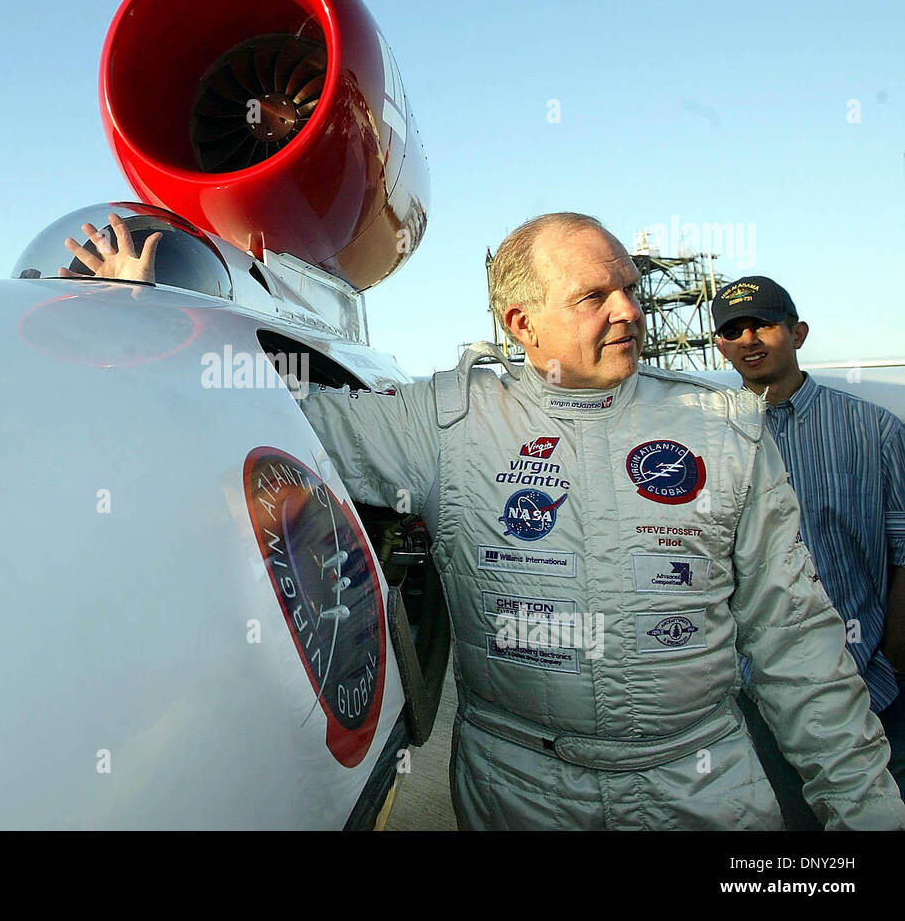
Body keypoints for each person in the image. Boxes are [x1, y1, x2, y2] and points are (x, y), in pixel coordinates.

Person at [297, 212, 904, 829]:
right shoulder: (446, 424)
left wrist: (867, 811)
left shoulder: (722, 428)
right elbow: (271, 411)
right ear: (521, 323)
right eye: (595, 297)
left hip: (701, 785)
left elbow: (794, 637)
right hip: (519, 790)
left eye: (634, 290)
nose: (630, 312)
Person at [711, 276, 905, 827]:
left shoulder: (874, 431)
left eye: (764, 324)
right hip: (752, 701)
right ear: (719, 346)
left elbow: (903, 553)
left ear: (797, 332)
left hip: (870, 687)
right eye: (732, 330)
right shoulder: (705, 440)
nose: (749, 339)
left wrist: (894, 656)